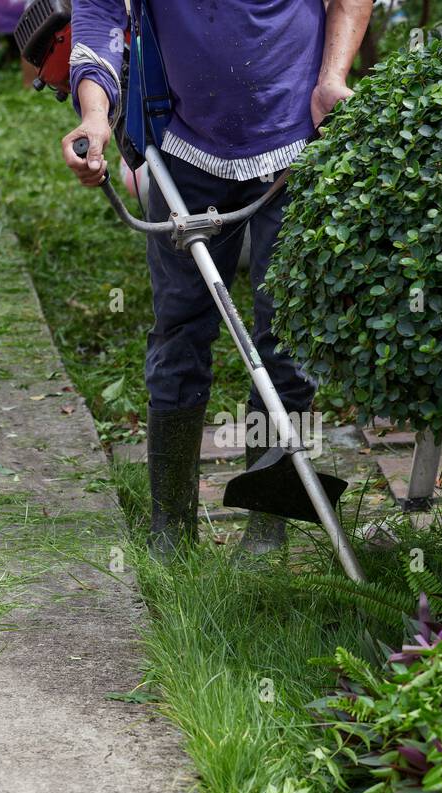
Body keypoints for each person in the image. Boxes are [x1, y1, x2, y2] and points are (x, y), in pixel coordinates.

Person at [61, 0, 373, 556]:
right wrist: (94, 115)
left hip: (296, 137)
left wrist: (333, 78)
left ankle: (268, 525)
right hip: (181, 142)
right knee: (180, 329)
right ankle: (171, 526)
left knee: (288, 334)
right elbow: (102, 11)